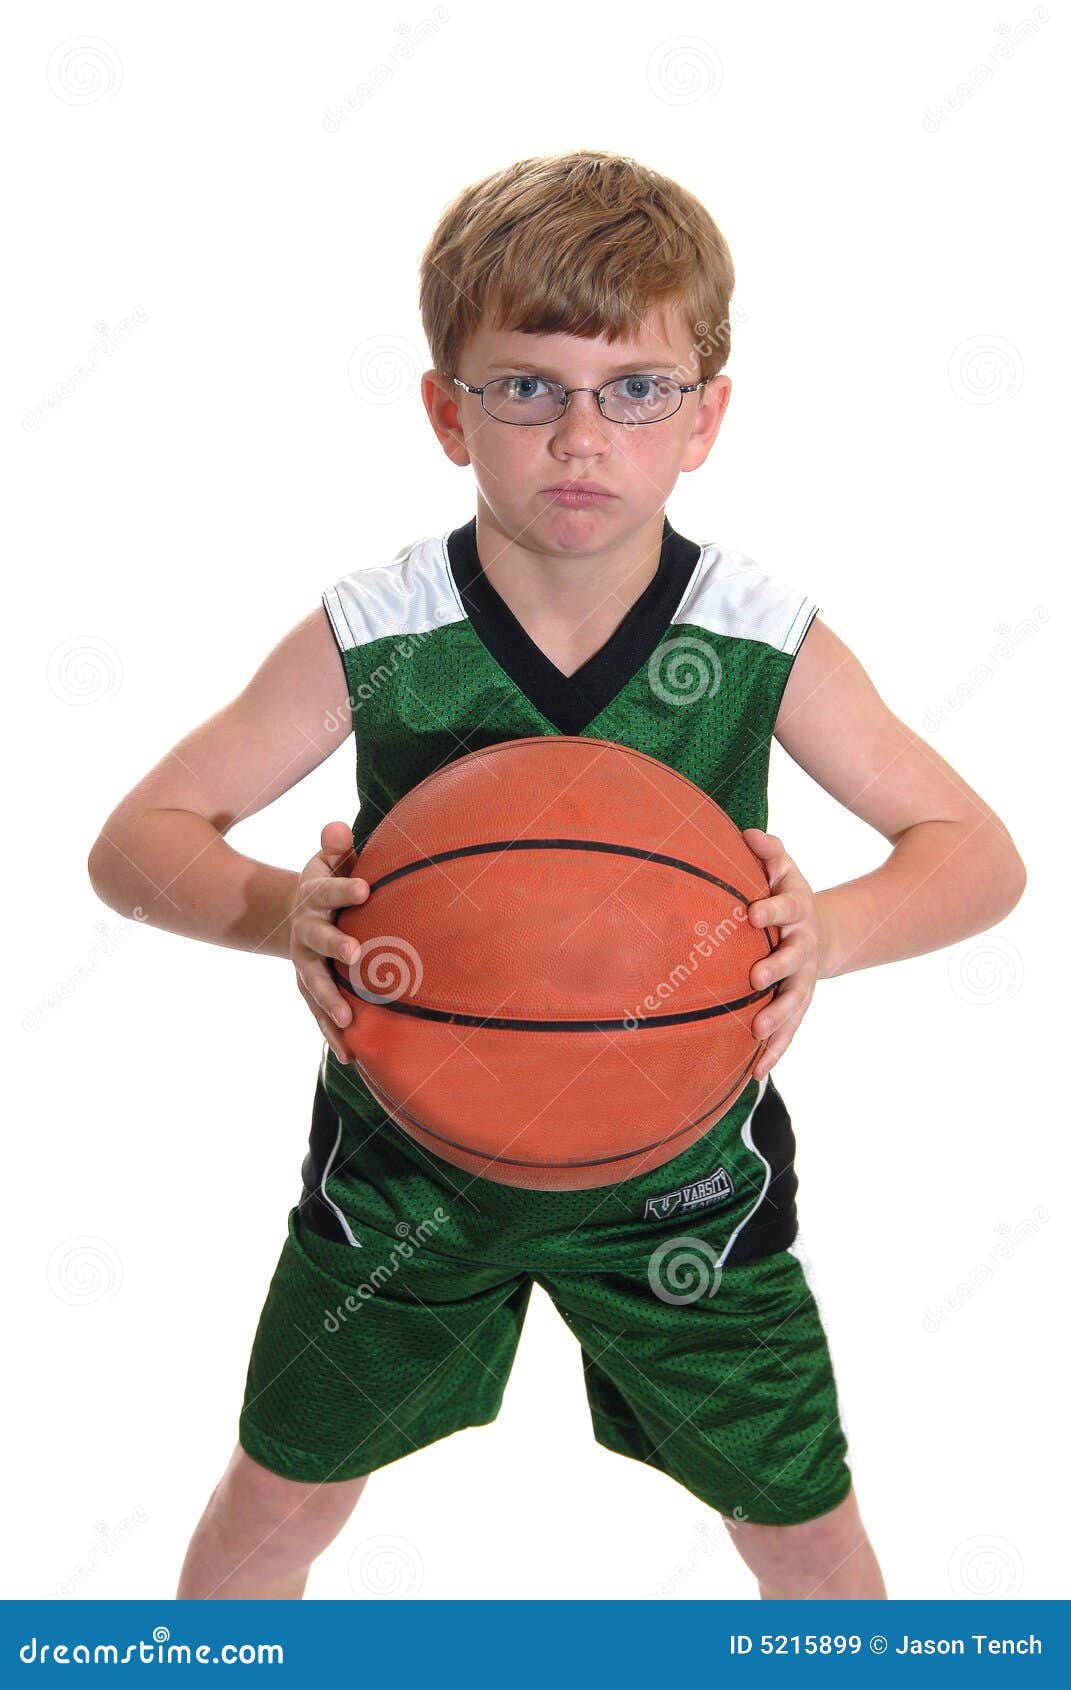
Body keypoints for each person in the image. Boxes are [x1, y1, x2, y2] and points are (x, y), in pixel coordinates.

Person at [87, 150, 1026, 1601]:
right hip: (406, 1171)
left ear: (705, 417)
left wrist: (819, 927)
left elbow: (981, 856)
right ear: (444, 409)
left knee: (806, 1529)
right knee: (275, 1507)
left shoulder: (758, 635)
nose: (580, 435)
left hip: (686, 1184)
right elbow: (137, 841)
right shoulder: (380, 628)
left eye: (634, 389)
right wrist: (291, 910)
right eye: (525, 386)